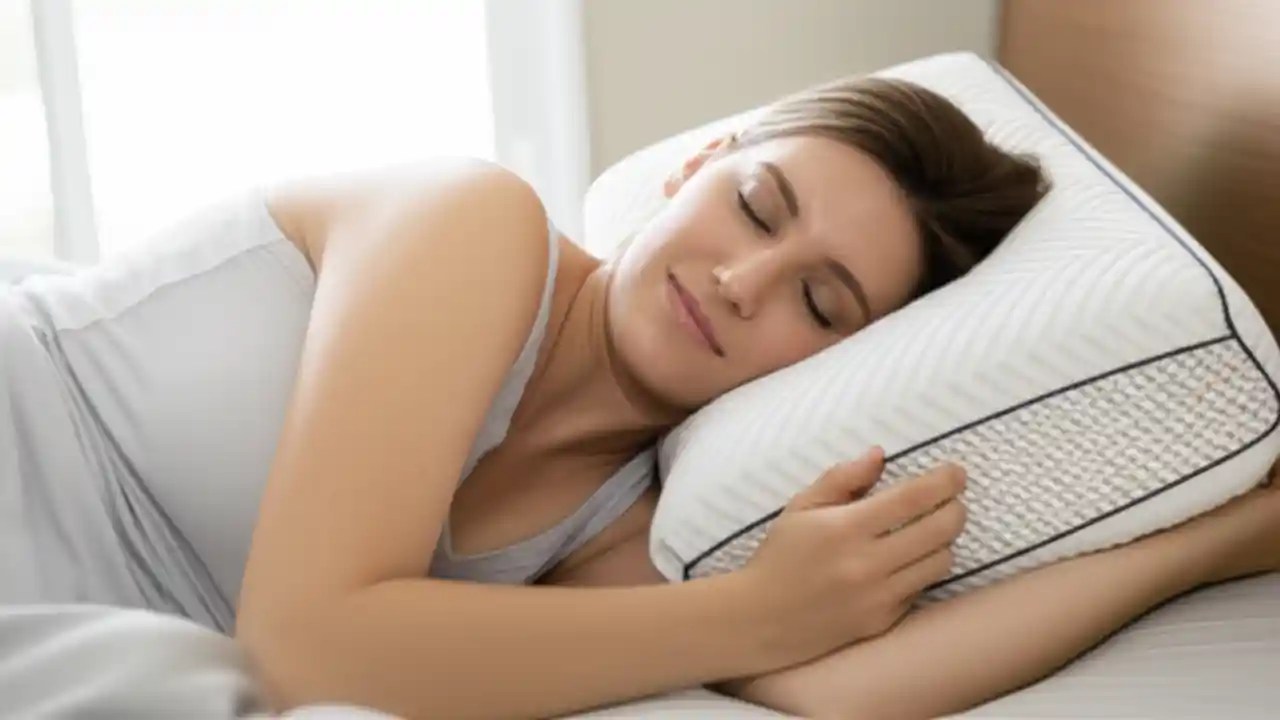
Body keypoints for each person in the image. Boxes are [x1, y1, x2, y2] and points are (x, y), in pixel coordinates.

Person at [1, 75, 1276, 720]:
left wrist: (1209, 541)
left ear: (845, 366)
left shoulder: (634, 523)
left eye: (820, 305)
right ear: (698, 164)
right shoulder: (474, 230)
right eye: (755, 207)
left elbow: (835, 690)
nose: (738, 279)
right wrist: (752, 617)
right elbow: (308, 643)